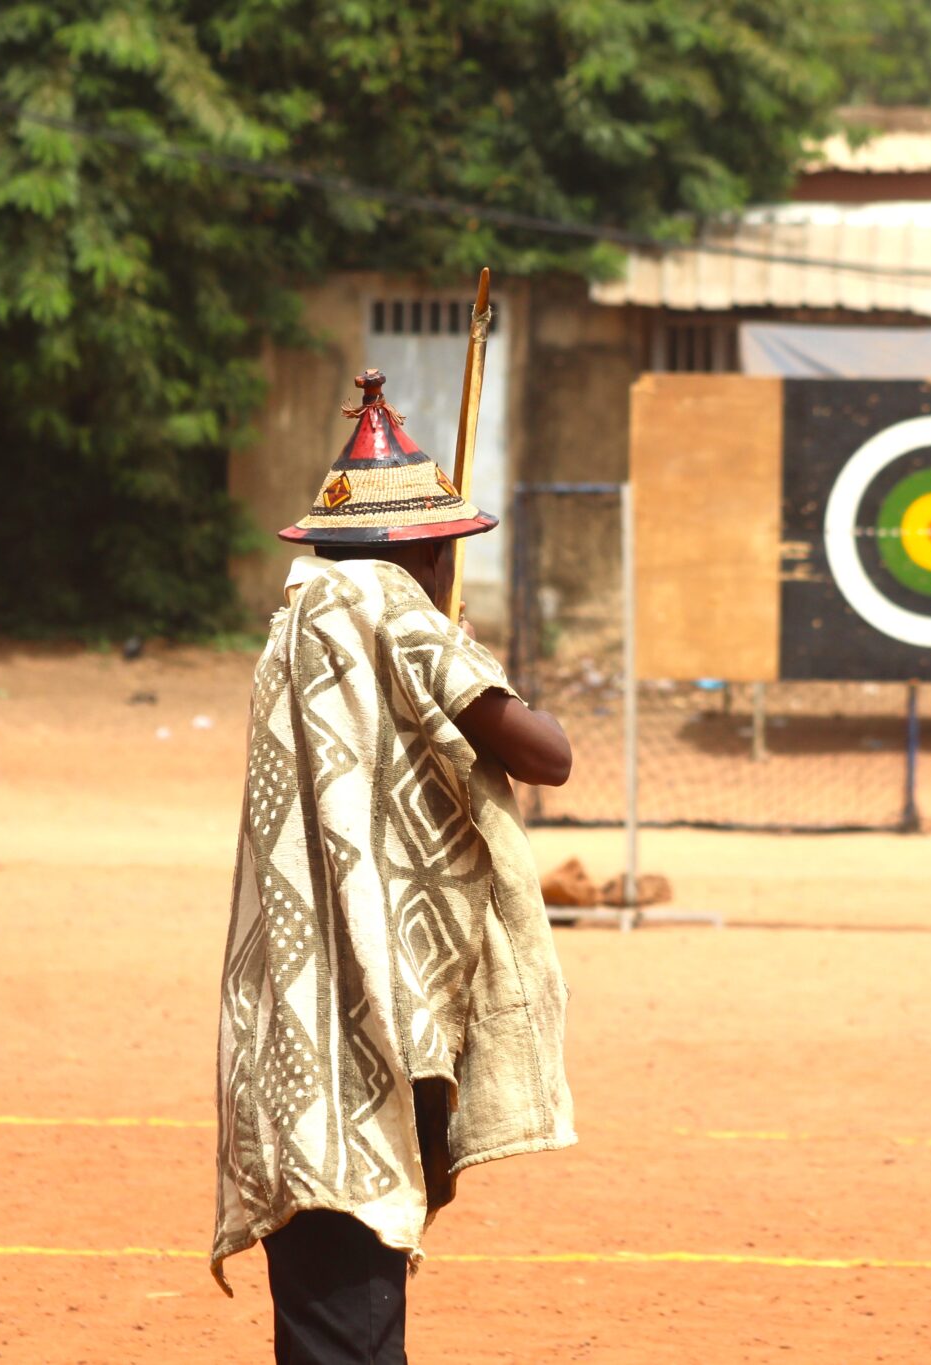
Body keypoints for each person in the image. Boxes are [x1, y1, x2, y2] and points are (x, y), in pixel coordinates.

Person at [211, 369, 577, 1365]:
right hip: (381, 1019)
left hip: (298, 1014)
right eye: (444, 546)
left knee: (331, 1307)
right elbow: (546, 755)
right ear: (418, 546)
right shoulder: (394, 611)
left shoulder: (299, 624)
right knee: (354, 1316)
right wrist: (458, 645)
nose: (445, 563)